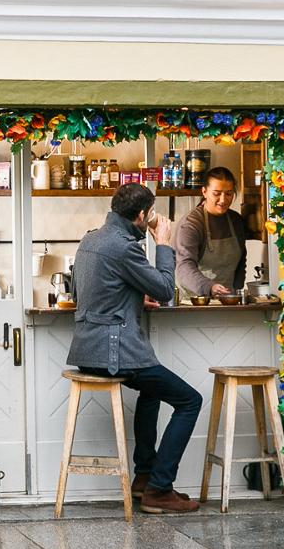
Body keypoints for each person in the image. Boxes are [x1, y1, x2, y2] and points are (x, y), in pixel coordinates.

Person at [67, 182, 203, 514]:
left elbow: (95, 290)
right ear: (141, 215)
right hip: (115, 352)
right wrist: (164, 243)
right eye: (150, 214)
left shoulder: (91, 239)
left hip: (87, 351)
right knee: (190, 400)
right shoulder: (123, 247)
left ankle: (144, 477)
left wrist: (132, 297)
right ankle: (160, 488)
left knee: (151, 392)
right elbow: (165, 289)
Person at [176, 166, 249, 299]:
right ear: (204, 192)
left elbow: (241, 261)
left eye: (229, 194)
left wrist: (236, 292)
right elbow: (184, 267)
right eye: (216, 193)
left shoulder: (236, 220)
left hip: (228, 301)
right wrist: (209, 287)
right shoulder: (191, 224)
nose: (223, 200)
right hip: (194, 301)